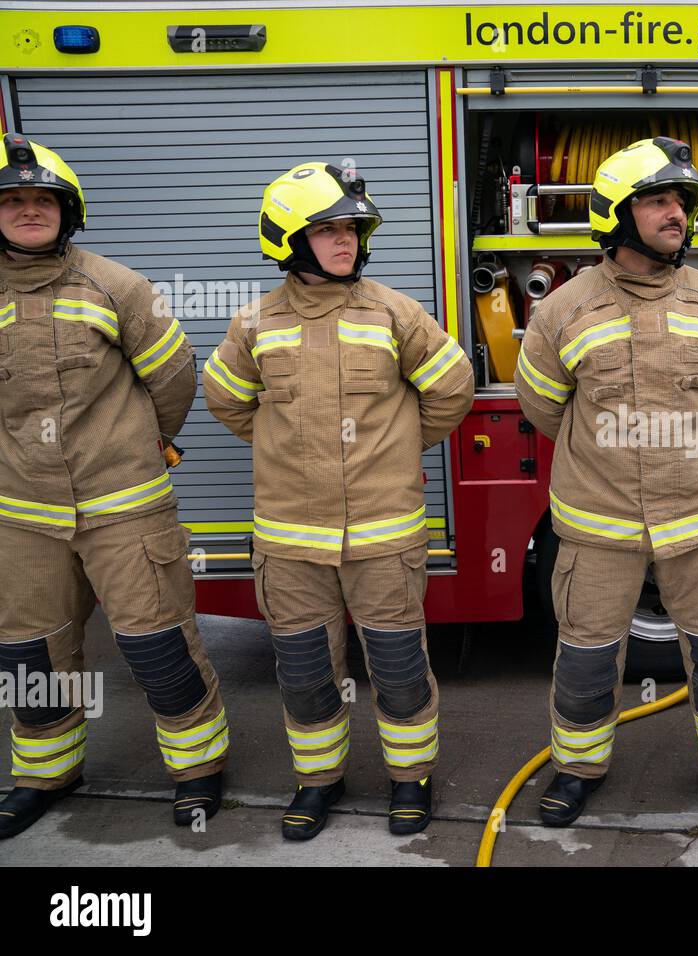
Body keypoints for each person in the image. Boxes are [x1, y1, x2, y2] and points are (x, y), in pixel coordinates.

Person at [204, 162, 473, 840]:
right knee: (303, 672)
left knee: (399, 668)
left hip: (384, 534)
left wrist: (392, 447)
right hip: (292, 540)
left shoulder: (393, 312)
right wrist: (286, 447)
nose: (346, 239)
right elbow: (228, 400)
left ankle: (411, 781)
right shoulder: (253, 323)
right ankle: (318, 782)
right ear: (290, 238)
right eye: (327, 228)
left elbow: (451, 388)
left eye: (352, 227)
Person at [514, 138, 698, 832]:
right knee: (587, 661)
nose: (676, 212)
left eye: (681, 200)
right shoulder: (562, 312)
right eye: (658, 199)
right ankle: (577, 769)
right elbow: (542, 407)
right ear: (617, 215)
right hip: (599, 525)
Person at [0, 134, 228, 837]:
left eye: (44, 199)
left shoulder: (118, 287)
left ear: (69, 212)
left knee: (158, 644)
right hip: (20, 515)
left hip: (125, 507)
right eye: (13, 199)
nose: (29, 211)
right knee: (29, 653)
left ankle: (198, 771)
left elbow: (174, 378)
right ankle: (44, 773)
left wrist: (141, 448)